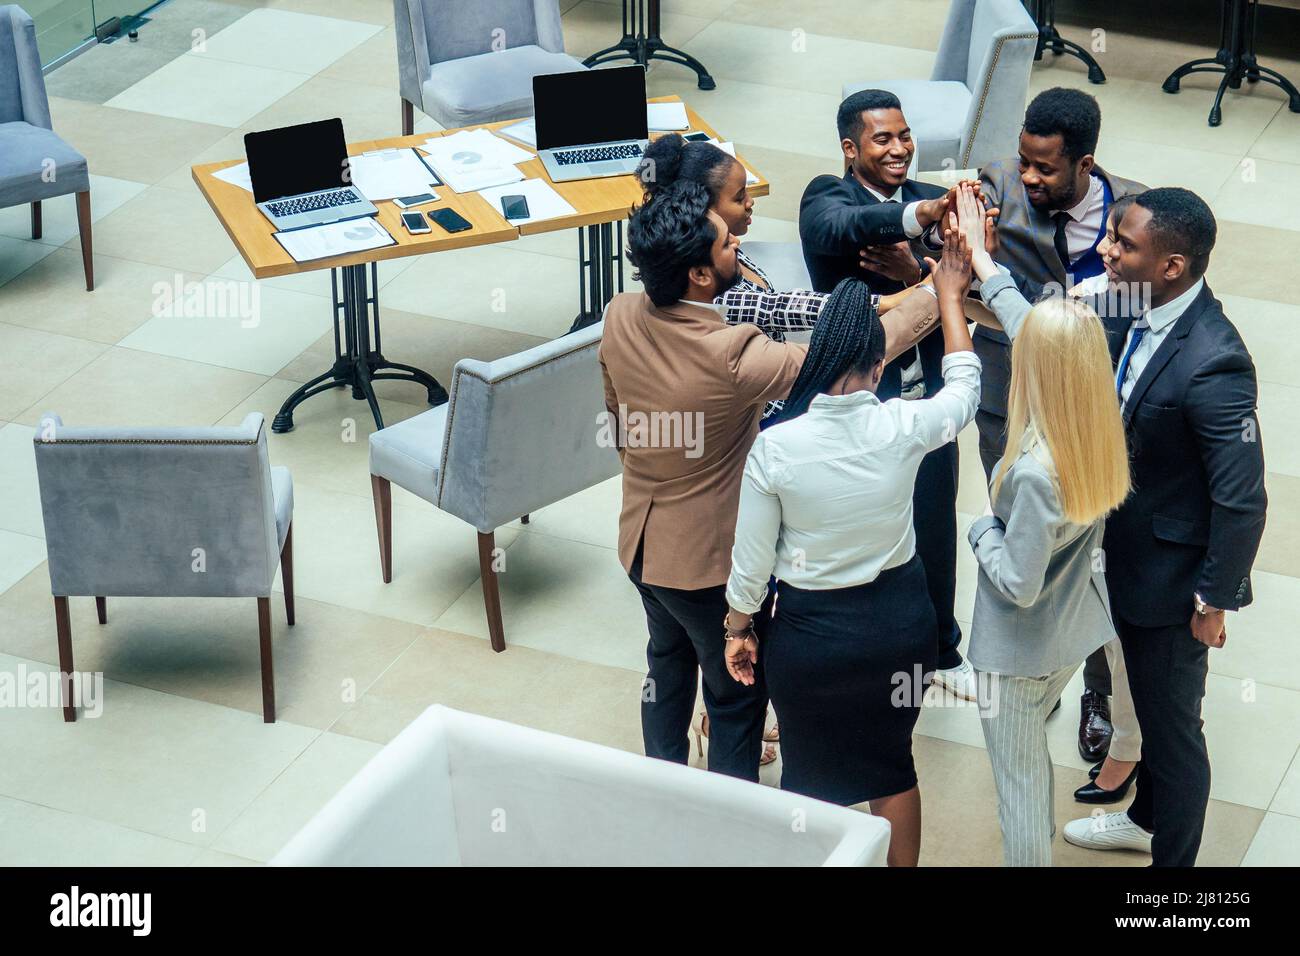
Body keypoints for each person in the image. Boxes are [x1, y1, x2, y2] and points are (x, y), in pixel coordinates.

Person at [628, 137, 950, 767]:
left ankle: (660, 784)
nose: (742, 229)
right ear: (701, 255)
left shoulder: (623, 311)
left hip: (643, 535)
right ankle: (737, 823)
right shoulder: (733, 347)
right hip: (709, 550)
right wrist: (944, 288)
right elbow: (844, 348)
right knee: (735, 696)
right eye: (735, 212)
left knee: (665, 668)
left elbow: (621, 417)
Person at [723, 229, 980, 867]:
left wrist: (738, 628)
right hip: (900, 625)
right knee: (892, 766)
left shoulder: (777, 447)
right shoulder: (903, 425)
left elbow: (751, 565)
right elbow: (965, 391)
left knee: (811, 777)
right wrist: (949, 298)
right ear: (877, 364)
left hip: (811, 639)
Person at [1061, 188, 1267, 866]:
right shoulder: (1134, 297)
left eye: (1124, 245)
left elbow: (1242, 499)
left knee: (1175, 735)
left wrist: (1215, 599)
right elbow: (1069, 309)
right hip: (1120, 548)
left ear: (1172, 265)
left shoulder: (1216, 361)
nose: (1108, 253)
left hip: (1170, 585)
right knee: (1147, 711)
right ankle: (1142, 817)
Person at [953, 184, 1132, 866]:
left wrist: (979, 533)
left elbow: (1018, 582)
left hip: (1019, 655)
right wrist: (982, 259)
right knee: (1035, 772)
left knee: (1022, 793)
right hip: (1072, 632)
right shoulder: (1096, 420)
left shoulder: (1033, 472)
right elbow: (1033, 324)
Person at [976, 87, 1146, 764]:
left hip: (1101, 429)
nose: (1028, 178)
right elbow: (953, 276)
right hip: (1015, 409)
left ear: (1086, 165)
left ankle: (1097, 693)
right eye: (1024, 160)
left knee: (1095, 562)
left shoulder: (1137, 214)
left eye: (1044, 168)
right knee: (1030, 552)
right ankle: (1034, 676)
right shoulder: (997, 190)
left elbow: (1149, 308)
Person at [797, 88, 979, 702]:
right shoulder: (829, 195)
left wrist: (916, 270)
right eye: (883, 138)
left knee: (934, 517)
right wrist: (917, 220)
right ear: (850, 149)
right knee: (859, 522)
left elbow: (965, 287)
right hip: (853, 403)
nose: (900, 148)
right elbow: (838, 229)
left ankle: (943, 646)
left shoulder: (932, 199)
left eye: (905, 135)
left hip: (925, 396)